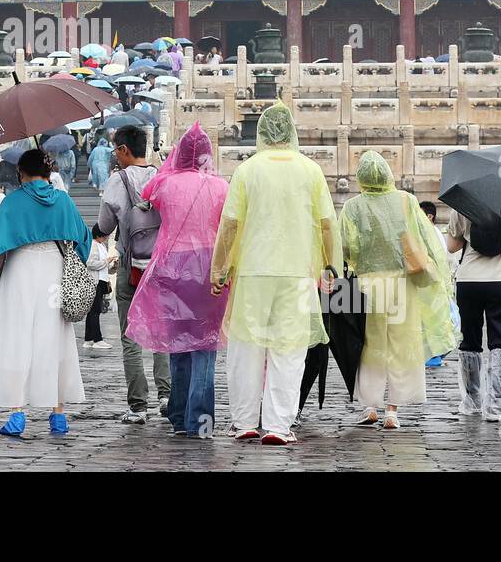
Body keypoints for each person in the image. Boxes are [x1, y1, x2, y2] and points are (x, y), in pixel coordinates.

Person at [210, 101, 341, 445]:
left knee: (245, 347)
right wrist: (331, 266)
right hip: (297, 272)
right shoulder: (311, 171)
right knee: (289, 348)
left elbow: (230, 226)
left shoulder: (247, 170)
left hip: (254, 271)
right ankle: (279, 425)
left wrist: (219, 268)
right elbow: (328, 225)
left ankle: (244, 422)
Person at [0, 149, 90, 436]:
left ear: (21, 173)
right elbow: (82, 241)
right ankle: (58, 412)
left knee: (18, 338)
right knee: (56, 338)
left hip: (20, 271)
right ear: (48, 172)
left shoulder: (13, 202)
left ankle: (17, 411)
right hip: (54, 270)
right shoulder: (63, 200)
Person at [125, 124, 229, 437]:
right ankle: (200, 420)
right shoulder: (221, 186)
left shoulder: (164, 184)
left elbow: (147, 195)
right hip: (207, 268)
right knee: (205, 344)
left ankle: (180, 416)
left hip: (171, 268)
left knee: (178, 344)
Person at [339, 152, 455, 429]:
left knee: (370, 346)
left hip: (368, 286)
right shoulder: (406, 200)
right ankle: (393, 409)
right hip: (402, 285)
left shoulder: (353, 206)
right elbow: (425, 239)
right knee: (403, 345)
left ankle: (370, 405)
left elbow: (346, 247)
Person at [94, 124, 169, 423]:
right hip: (160, 266)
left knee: (130, 336)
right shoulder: (161, 176)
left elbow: (105, 225)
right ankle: (167, 395)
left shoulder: (117, 181)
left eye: (116, 150)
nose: (115, 156)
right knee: (161, 333)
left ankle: (138, 406)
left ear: (125, 149)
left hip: (130, 267)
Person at [445, 209, 501, 423]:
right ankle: (497, 404)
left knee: (469, 340)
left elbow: (452, 246)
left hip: (469, 280)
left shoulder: (461, 205)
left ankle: (472, 400)